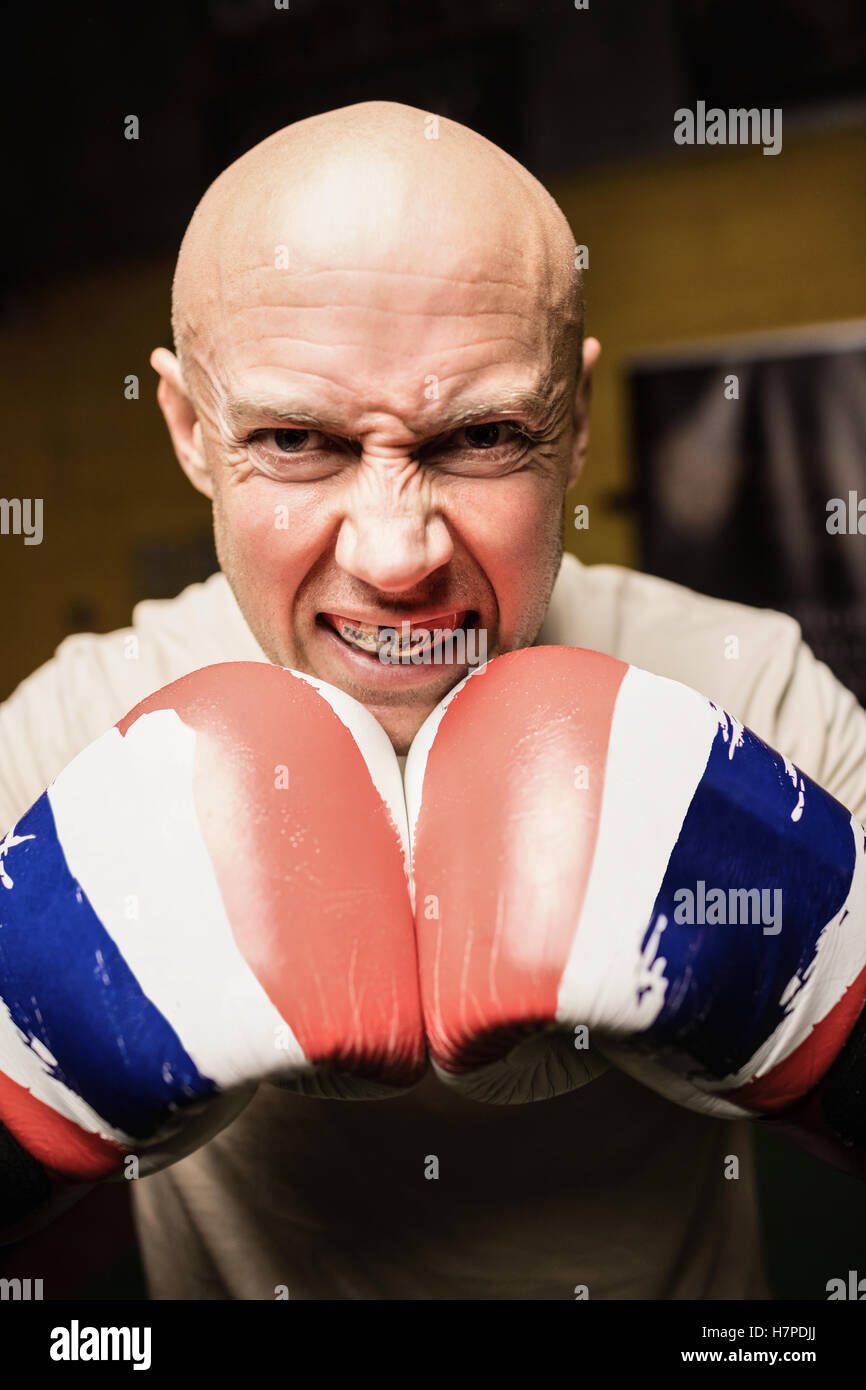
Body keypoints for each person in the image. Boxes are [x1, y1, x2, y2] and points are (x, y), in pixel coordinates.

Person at [1, 100, 864, 1300]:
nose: (397, 552)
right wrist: (28, 1115)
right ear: (194, 432)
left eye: (482, 435)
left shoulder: (744, 689)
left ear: (568, 425)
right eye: (297, 438)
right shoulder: (70, 736)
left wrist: (822, 1026)